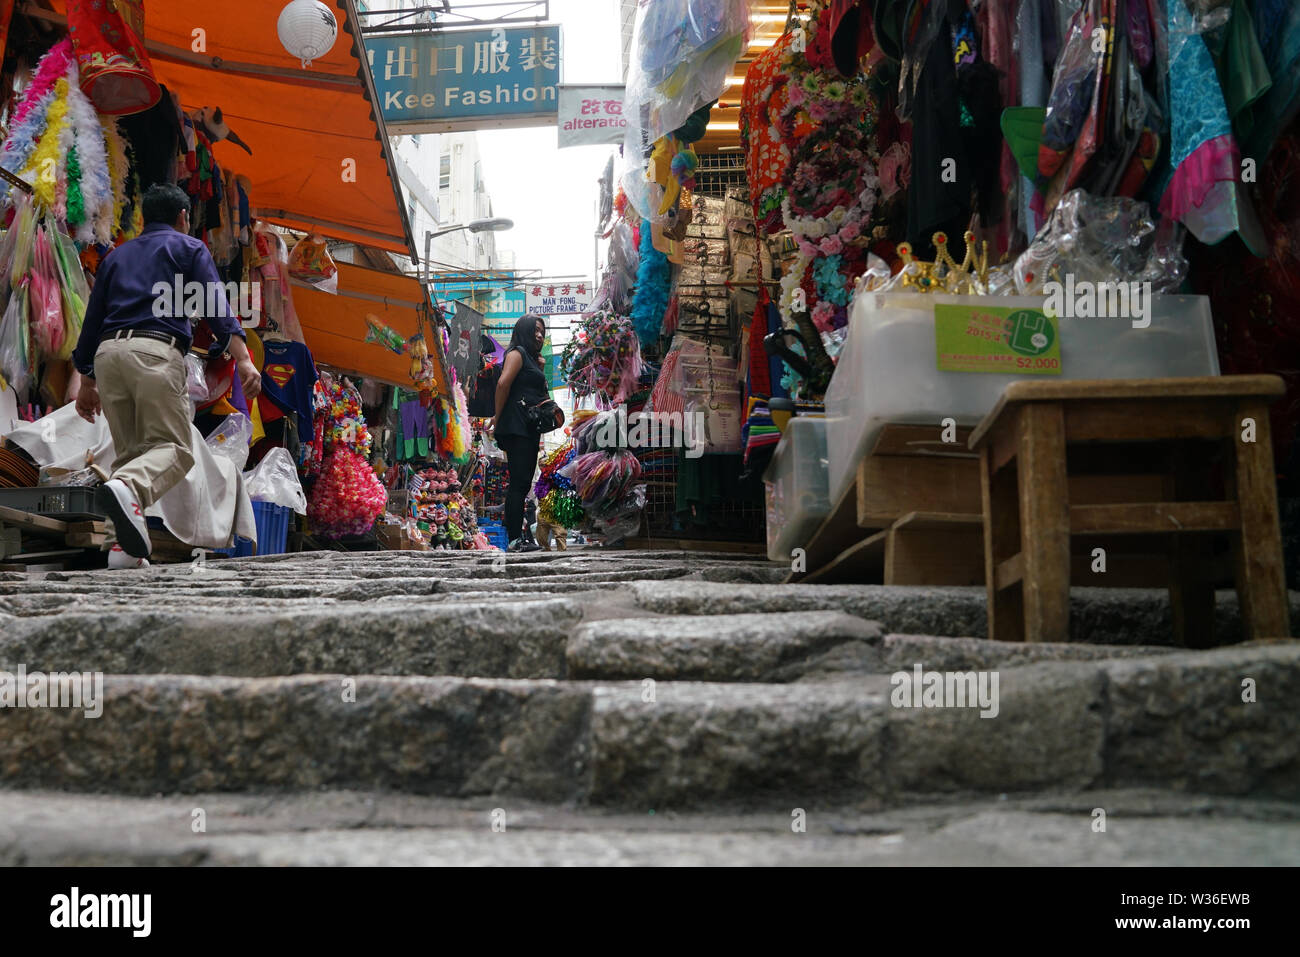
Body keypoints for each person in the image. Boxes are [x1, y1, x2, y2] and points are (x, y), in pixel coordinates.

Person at [72, 182, 261, 566]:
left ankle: (122, 552)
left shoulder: (115, 258)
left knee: (132, 456)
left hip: (109, 356)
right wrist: (242, 358)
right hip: (154, 352)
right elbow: (214, 302)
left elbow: (92, 321)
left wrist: (87, 381)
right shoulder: (188, 247)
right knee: (174, 450)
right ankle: (128, 491)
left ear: (145, 219)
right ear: (183, 218)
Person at [488, 314, 549, 552]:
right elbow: (503, 384)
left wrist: (540, 368)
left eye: (542, 331)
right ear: (523, 330)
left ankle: (519, 538)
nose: (540, 335)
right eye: (535, 330)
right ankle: (514, 540)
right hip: (516, 426)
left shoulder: (533, 360)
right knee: (518, 484)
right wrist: (497, 416)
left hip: (528, 428)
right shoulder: (516, 354)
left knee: (523, 484)